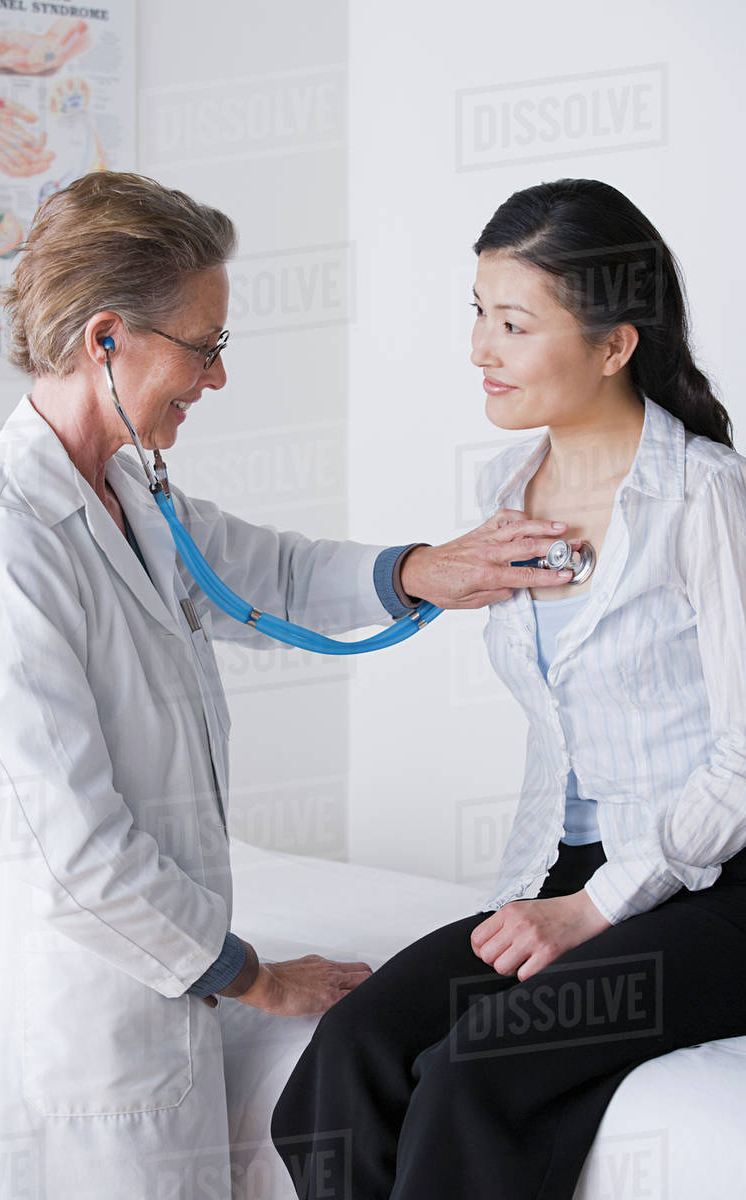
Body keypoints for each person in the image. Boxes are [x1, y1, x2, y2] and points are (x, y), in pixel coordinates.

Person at [0, 171, 573, 1200]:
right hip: (75, 1037)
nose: (216, 379)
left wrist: (426, 568)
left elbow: (264, 574)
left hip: (152, 1010)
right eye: (204, 347)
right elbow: (73, 856)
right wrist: (254, 974)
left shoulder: (132, 497)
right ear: (106, 338)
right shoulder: (2, 547)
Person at [271, 178, 746, 1200]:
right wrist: (554, 896)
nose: (480, 349)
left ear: (614, 345)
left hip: (718, 889)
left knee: (469, 1082)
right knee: (343, 1060)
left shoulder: (705, 497)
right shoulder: (503, 494)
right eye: (477, 315)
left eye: (513, 323)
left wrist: (594, 909)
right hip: (564, 867)